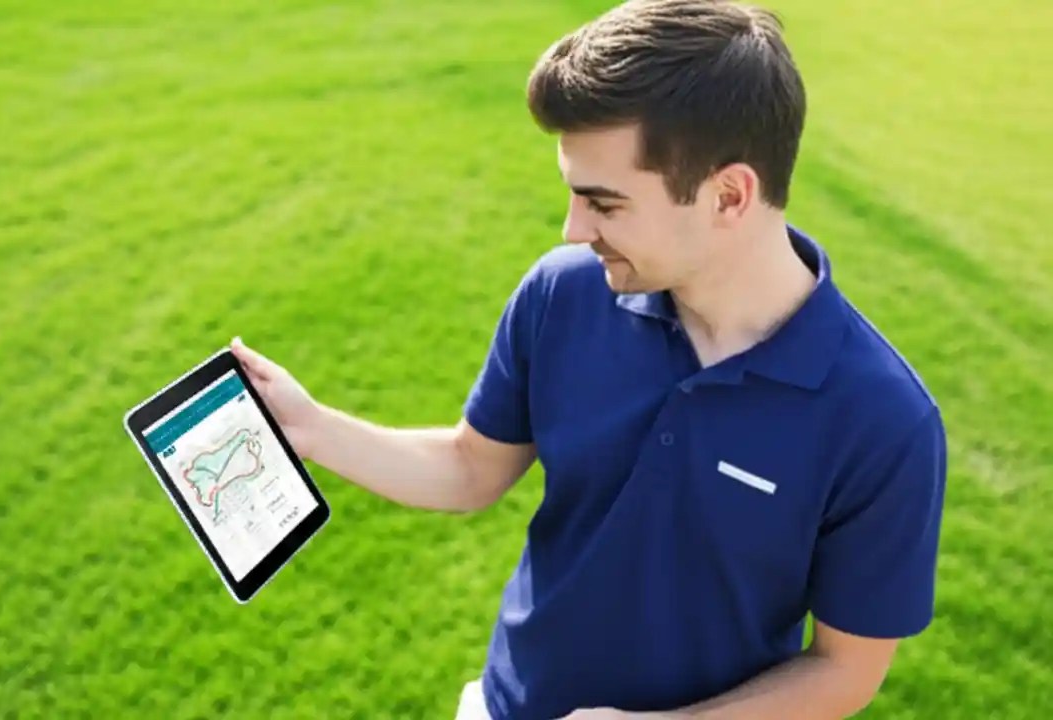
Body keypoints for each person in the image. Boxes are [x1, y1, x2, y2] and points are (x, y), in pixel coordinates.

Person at [229, 0, 948, 717]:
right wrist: (311, 427)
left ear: (729, 195)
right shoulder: (563, 293)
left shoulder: (883, 420)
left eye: (604, 204)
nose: (575, 230)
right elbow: (471, 467)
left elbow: (844, 669)